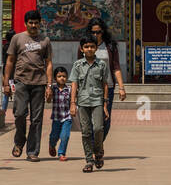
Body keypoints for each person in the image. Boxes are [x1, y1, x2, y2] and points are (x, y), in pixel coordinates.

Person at [3, 10, 53, 161]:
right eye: (30, 22)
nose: (33, 25)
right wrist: (6, 82)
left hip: (39, 83)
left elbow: (49, 63)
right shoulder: (17, 39)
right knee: (19, 114)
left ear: (40, 23)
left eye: (36, 23)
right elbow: (10, 61)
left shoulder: (45, 40)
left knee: (36, 119)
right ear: (25, 23)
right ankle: (19, 141)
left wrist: (49, 85)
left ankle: (32, 151)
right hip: (21, 82)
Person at [77, 18, 126, 137]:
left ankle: (97, 145)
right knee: (91, 120)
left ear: (103, 32)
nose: (95, 35)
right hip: (88, 88)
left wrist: (121, 87)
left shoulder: (110, 46)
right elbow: (78, 67)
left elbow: (116, 67)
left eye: (98, 32)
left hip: (106, 87)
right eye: (93, 32)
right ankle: (95, 148)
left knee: (105, 119)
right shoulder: (84, 46)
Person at [70, 35, 110, 172]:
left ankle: (98, 152)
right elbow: (74, 84)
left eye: (92, 46)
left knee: (98, 128)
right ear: (82, 49)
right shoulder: (77, 65)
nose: (89, 49)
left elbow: (105, 84)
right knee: (86, 132)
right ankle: (89, 160)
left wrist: (105, 104)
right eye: (86, 47)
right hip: (82, 101)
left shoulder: (102, 65)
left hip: (97, 100)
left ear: (96, 48)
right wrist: (72, 103)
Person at [49, 65, 73, 161]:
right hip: (56, 118)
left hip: (67, 117)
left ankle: (61, 153)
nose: (62, 78)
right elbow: (48, 100)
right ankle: (51, 144)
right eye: (59, 76)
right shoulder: (53, 89)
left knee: (65, 136)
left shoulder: (69, 90)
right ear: (55, 78)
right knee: (54, 135)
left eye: (64, 76)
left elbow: (73, 101)